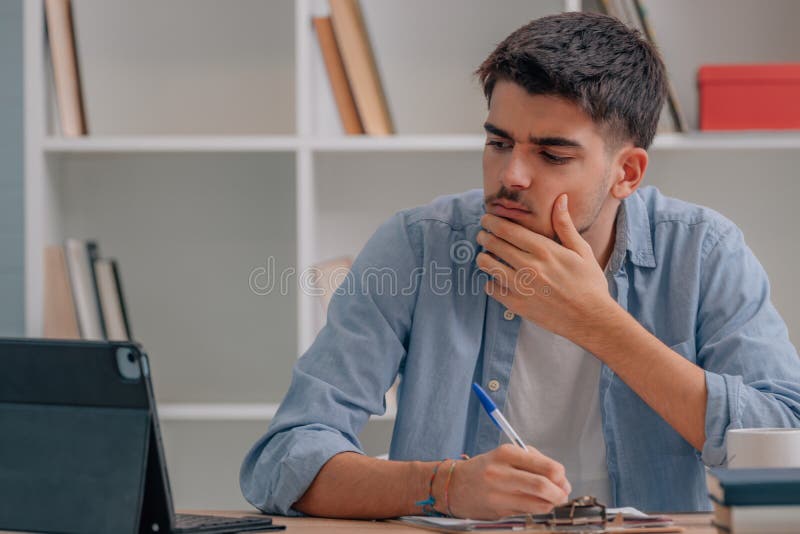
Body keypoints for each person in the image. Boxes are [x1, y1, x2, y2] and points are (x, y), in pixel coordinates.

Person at [240, 11, 800, 519]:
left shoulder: (704, 252)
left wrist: (598, 323)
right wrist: (446, 485)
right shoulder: (418, 247)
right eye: (499, 142)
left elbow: (785, 446)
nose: (512, 175)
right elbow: (285, 459)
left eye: (553, 155)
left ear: (627, 172)